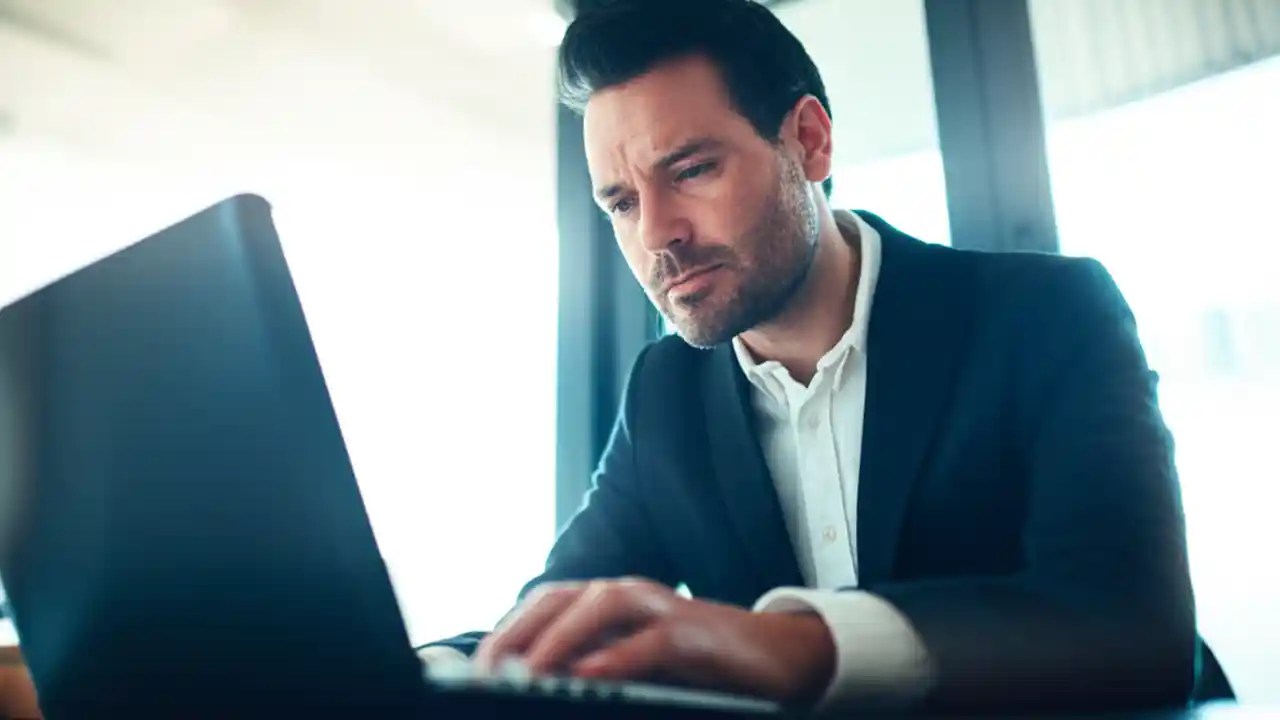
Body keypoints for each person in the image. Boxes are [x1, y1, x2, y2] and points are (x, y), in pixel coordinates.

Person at [419, 0, 1202, 712]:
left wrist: (788, 646)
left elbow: (1140, 633)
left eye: (690, 170)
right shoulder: (667, 391)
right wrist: (406, 671)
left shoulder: (1044, 315)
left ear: (810, 141)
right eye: (621, 203)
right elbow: (554, 621)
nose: (656, 233)